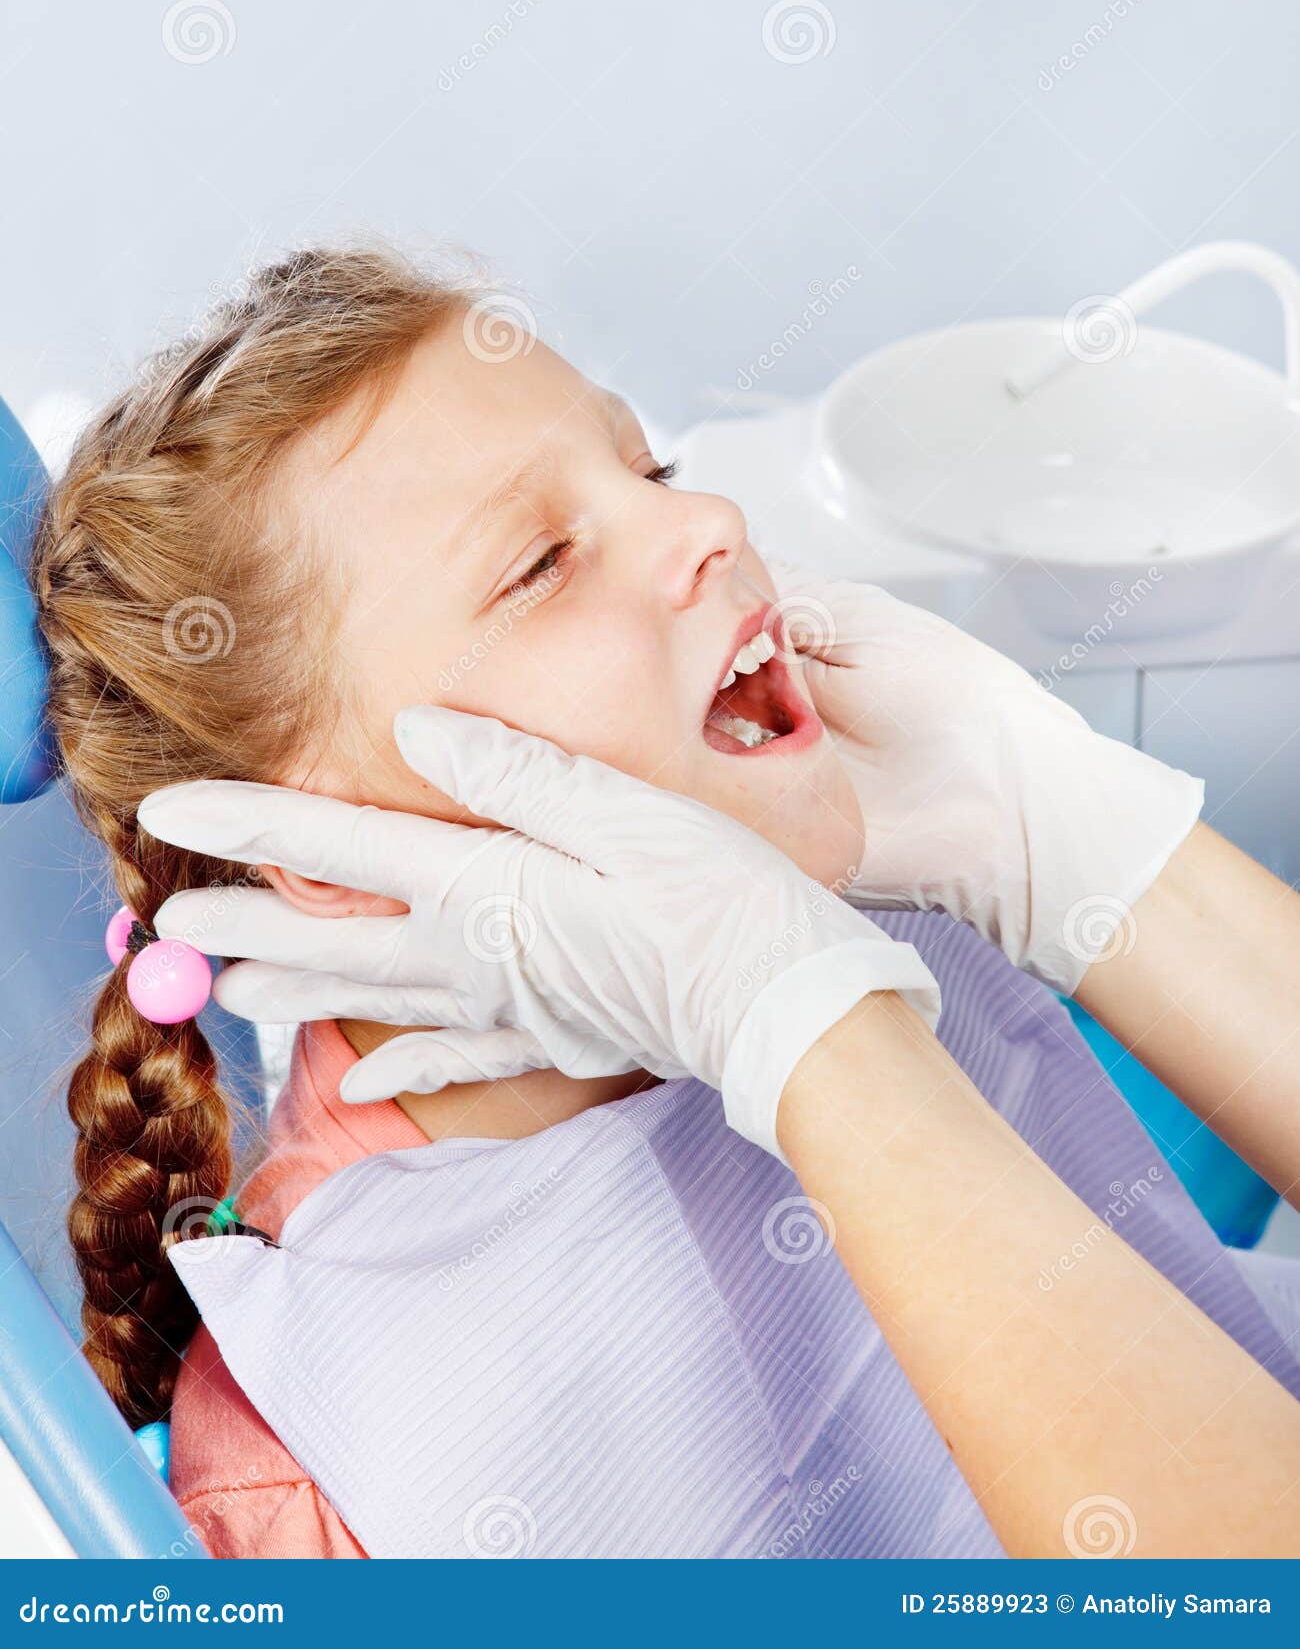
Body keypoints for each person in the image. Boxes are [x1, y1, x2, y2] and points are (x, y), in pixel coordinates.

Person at [31, 241, 1299, 1559]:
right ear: (334, 854)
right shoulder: (334, 1470)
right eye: (539, 562)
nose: (713, 525)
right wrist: (805, 1020)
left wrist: (1067, 840)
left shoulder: (860, 911)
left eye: (652, 471)